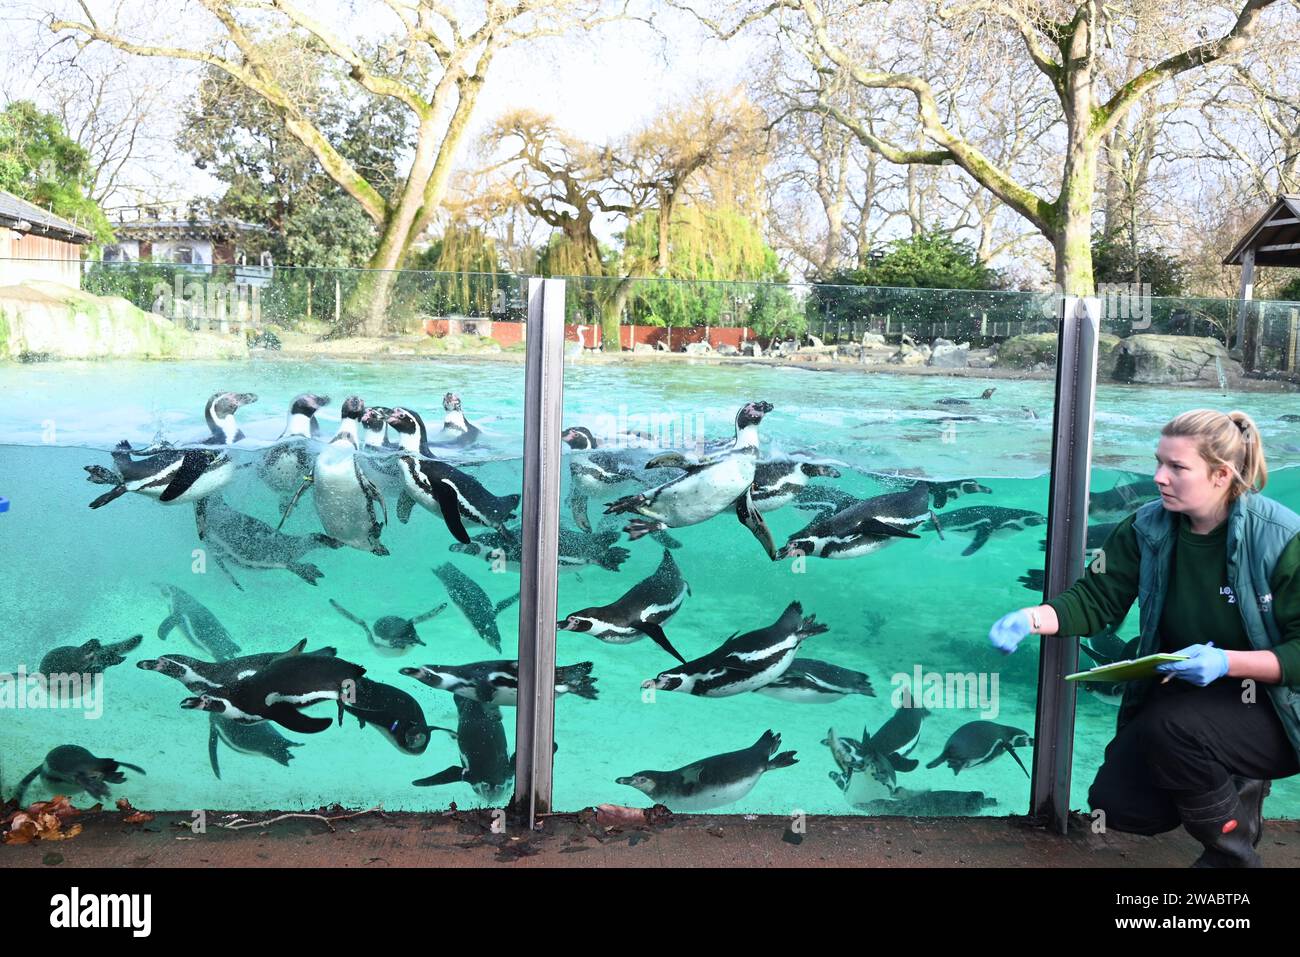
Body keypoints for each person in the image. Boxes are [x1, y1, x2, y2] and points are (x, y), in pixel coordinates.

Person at [988, 409, 1300, 867]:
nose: (1158, 477)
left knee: (1172, 731)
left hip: (1277, 705)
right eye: (1158, 462)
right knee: (1120, 805)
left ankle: (1231, 855)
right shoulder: (1145, 527)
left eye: (1177, 467)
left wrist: (1226, 663)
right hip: (1189, 699)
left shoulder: (1282, 538)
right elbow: (1097, 599)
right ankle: (1230, 782)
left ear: (1221, 475)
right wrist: (1033, 618)